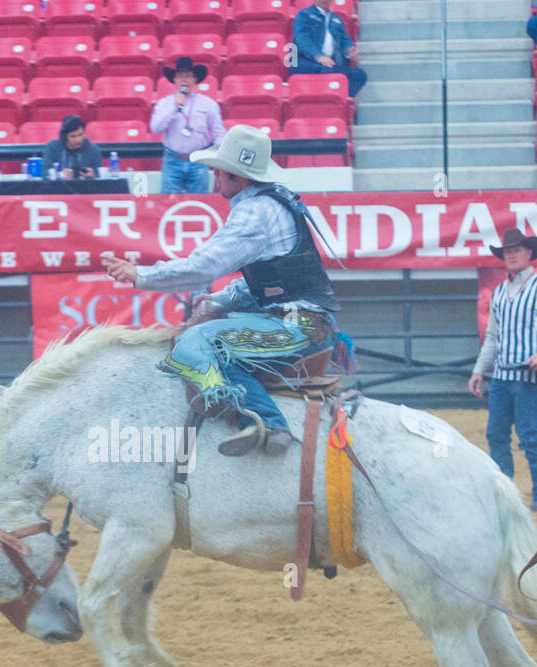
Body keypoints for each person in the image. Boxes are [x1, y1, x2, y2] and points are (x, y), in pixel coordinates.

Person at [102, 125, 352, 457]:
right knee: (209, 345)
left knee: (192, 344)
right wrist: (220, 300)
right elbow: (263, 282)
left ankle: (262, 420)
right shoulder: (272, 204)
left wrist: (141, 275)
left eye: (219, 169)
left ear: (239, 176)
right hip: (301, 324)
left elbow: (203, 267)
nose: (213, 174)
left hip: (293, 329)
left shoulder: (254, 212)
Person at [468, 228, 537, 513]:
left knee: (528, 436)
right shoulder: (499, 292)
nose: (511, 255)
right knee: (496, 434)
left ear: (528, 254)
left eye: (516, 251)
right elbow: (492, 338)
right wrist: (479, 370)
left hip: (528, 376)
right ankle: (507, 494)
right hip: (501, 376)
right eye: (507, 252)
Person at [151, 56, 227, 193]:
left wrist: (216, 158)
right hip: (172, 160)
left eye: (188, 76)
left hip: (198, 160)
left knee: (199, 203)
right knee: (168, 203)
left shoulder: (208, 104)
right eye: (180, 76)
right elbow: (156, 128)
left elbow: (219, 132)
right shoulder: (165, 104)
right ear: (174, 80)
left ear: (195, 79)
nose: (184, 80)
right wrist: (174, 108)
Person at [289, 0, 367, 99]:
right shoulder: (303, 15)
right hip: (304, 62)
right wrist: (318, 56)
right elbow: (302, 39)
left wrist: (349, 50)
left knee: (359, 75)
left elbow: (344, 39)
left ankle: (340, 101)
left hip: (329, 64)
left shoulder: (336, 19)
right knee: (327, 71)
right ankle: (326, 102)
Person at [40, 115, 102, 180]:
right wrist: (60, 174)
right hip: (57, 188)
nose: (78, 140)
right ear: (64, 136)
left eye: (81, 134)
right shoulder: (52, 147)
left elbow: (99, 174)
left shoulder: (93, 149)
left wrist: (94, 175)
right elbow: (44, 172)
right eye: (73, 136)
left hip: (85, 188)